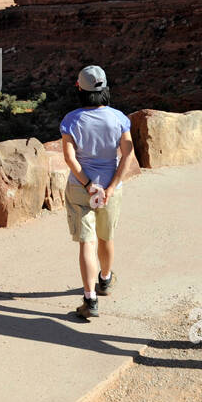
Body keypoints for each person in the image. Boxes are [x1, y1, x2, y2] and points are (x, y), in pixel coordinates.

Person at [60, 65, 133, 319]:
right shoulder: (119, 118)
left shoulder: (71, 120)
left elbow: (70, 158)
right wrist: (111, 187)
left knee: (86, 243)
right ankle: (105, 279)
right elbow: (127, 154)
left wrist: (88, 184)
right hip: (112, 187)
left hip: (81, 188)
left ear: (79, 89)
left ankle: (89, 300)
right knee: (106, 237)